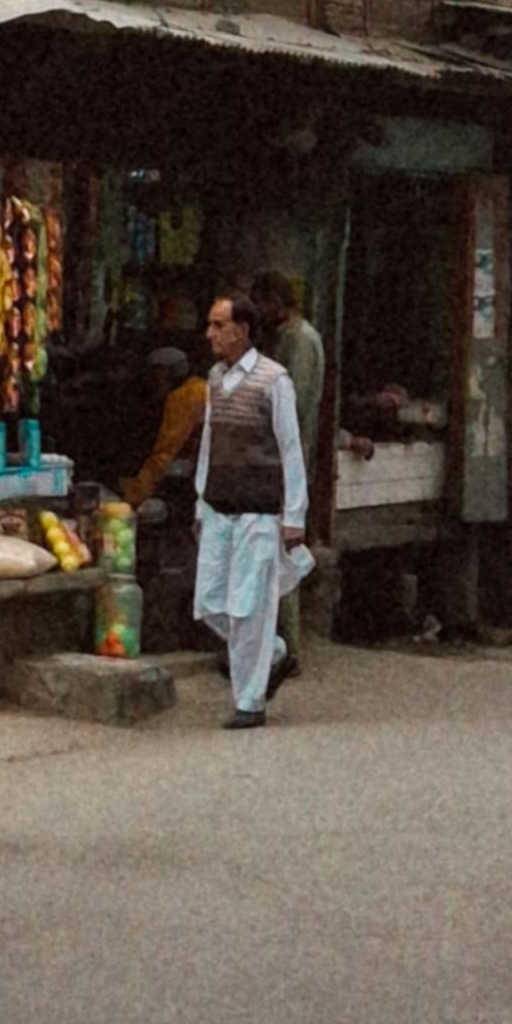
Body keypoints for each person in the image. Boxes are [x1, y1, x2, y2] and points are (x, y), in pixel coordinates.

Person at [193, 290, 310, 731]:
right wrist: (201, 499)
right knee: (210, 602)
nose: (210, 334)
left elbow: (291, 449)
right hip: (219, 507)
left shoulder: (274, 380)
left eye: (218, 325)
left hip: (260, 512)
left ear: (241, 330)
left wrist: (294, 517)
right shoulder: (215, 379)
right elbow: (209, 443)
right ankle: (274, 653)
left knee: (249, 608)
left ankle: (250, 701)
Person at [249, 272, 328, 679]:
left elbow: (290, 405)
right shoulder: (288, 338)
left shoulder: (299, 341)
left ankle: (288, 648)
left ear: (277, 302)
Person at [123, 342, 207, 512]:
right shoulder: (198, 388)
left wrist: (135, 495)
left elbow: (166, 452)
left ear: (165, 373)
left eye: (154, 375)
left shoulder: (185, 397)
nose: (149, 382)